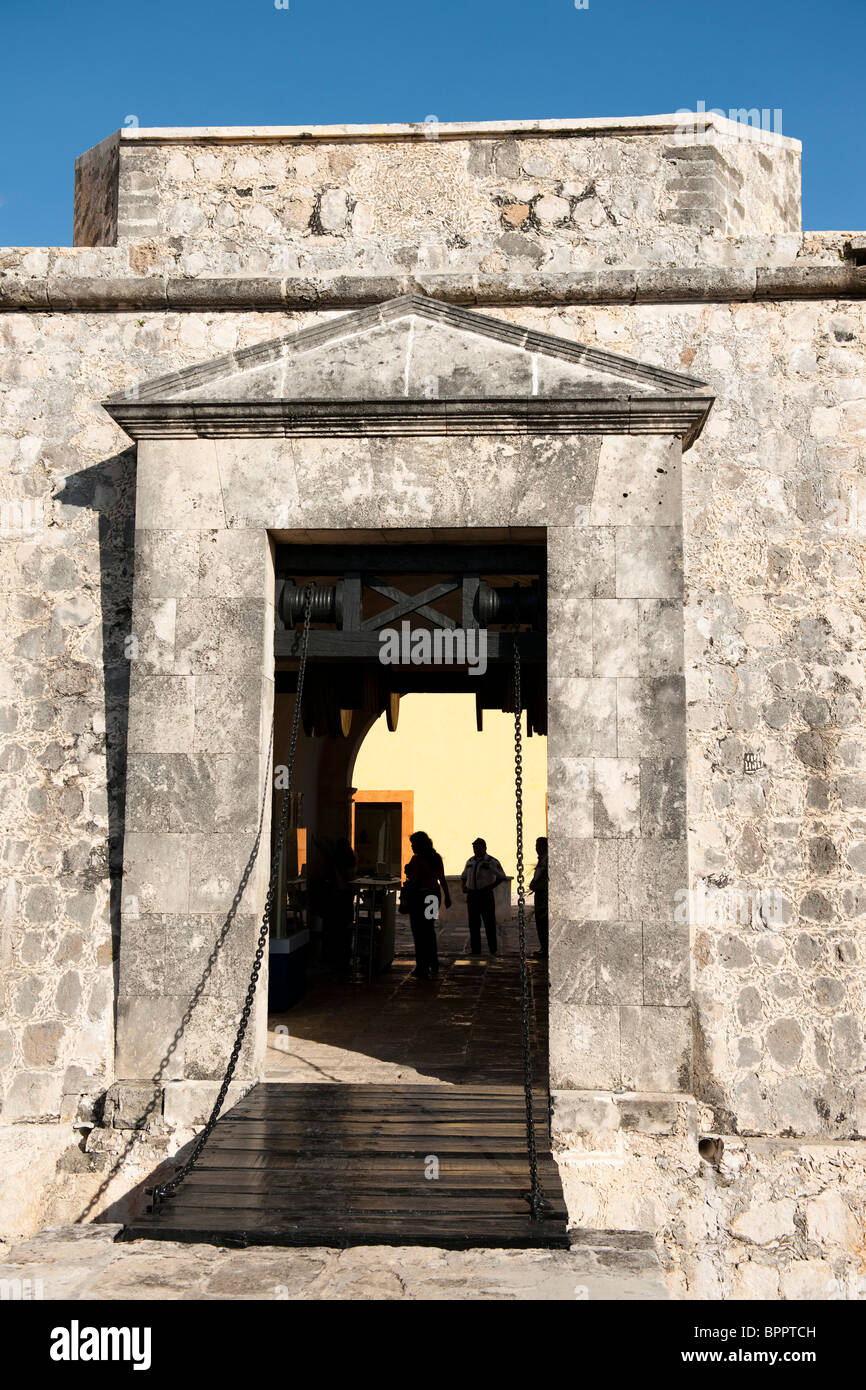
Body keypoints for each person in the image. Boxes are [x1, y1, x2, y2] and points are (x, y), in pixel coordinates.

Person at [403, 831, 451, 981]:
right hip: (433, 896)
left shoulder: (417, 860)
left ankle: (421, 966)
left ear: (418, 844)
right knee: (429, 930)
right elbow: (441, 878)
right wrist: (447, 896)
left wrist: (408, 870)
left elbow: (414, 879)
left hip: (419, 898)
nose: (411, 847)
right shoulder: (436, 858)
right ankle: (433, 963)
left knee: (418, 932)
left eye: (413, 844)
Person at [460, 837, 506, 956]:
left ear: (485, 848)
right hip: (472, 895)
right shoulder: (470, 861)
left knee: (489, 923)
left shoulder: (491, 861)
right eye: (474, 847)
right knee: (473, 924)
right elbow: (464, 876)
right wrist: (463, 886)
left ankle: (493, 950)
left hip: (485, 895)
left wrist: (490, 886)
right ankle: (475, 950)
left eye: (478, 847)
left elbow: (502, 876)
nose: (476, 850)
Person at [529, 836, 548, 959]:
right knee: (540, 923)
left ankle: (546, 949)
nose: (536, 848)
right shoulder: (542, 859)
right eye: (536, 845)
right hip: (539, 894)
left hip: (544, 895)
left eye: (539, 845)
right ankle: (544, 948)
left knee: (544, 923)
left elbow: (545, 876)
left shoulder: (547, 859)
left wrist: (536, 884)